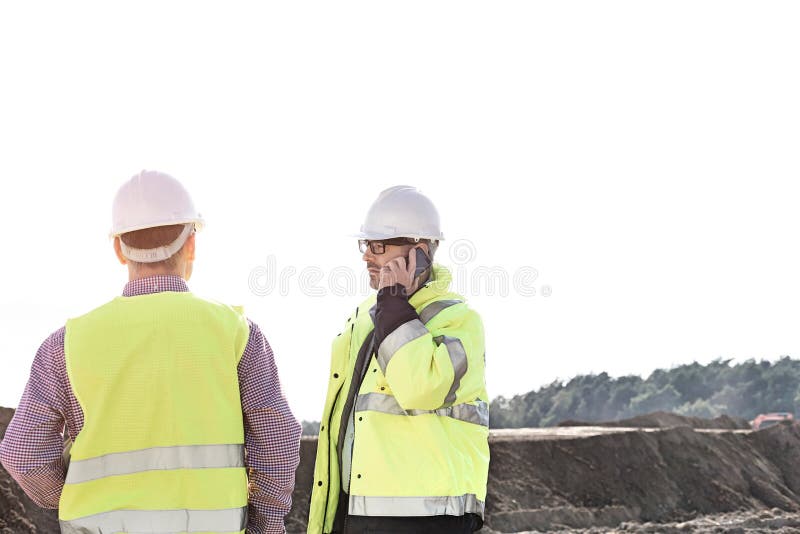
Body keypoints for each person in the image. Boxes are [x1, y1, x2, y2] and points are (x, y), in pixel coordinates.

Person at [0, 170, 302, 534]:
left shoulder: (65, 344)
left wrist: (73, 495)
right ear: (191, 244)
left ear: (118, 249)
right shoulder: (238, 334)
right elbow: (278, 439)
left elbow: (22, 454)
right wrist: (265, 525)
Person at [307, 186, 490, 534]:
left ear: (419, 252)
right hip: (358, 514)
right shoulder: (364, 319)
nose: (367, 256)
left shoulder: (460, 322)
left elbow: (419, 387)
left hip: (429, 519)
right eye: (365, 246)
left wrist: (394, 304)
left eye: (379, 246)